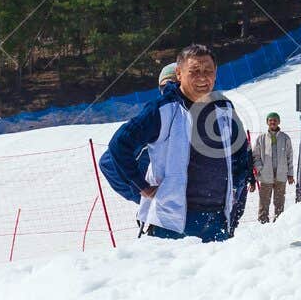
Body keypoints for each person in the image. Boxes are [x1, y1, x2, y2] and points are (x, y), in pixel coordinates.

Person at [102, 44, 253, 242]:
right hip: (173, 224)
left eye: (208, 71)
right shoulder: (164, 109)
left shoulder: (224, 108)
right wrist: (142, 187)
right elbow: (119, 145)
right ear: (179, 74)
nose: (202, 77)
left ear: (216, 74)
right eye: (194, 72)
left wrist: (236, 200)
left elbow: (240, 153)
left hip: (217, 220)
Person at [253, 112, 295, 222]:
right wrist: (260, 169)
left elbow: (289, 156)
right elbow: (255, 156)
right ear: (267, 122)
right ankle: (262, 222)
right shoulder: (261, 138)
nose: (273, 122)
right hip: (266, 175)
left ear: (279, 122)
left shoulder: (285, 138)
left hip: (281, 175)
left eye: (275, 120)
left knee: (279, 201)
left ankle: (279, 223)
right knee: (264, 201)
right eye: (270, 120)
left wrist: (290, 174)